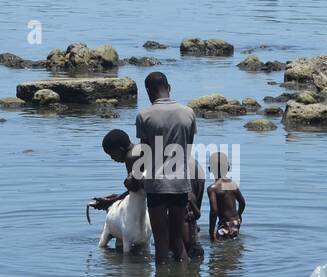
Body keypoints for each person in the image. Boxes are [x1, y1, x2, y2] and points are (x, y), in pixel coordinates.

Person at [91, 129, 205, 259]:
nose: (112, 159)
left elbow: (135, 190)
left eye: (112, 155)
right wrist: (117, 198)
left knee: (168, 239)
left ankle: (175, 268)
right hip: (193, 168)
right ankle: (193, 253)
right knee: (190, 217)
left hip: (176, 173)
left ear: (121, 149)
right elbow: (139, 186)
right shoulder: (139, 149)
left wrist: (113, 201)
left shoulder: (131, 157)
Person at [135, 72, 198, 264]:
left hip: (157, 186)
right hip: (180, 184)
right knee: (177, 242)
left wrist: (136, 178)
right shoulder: (188, 113)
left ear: (148, 91)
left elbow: (145, 154)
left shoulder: (144, 116)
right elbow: (187, 150)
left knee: (161, 244)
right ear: (168, 87)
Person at [207, 150, 245, 241]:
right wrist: (238, 215)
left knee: (219, 251)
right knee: (233, 247)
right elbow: (242, 203)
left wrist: (211, 232)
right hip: (236, 223)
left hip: (224, 225)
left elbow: (214, 211)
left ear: (210, 169)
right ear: (228, 168)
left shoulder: (213, 188)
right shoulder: (232, 184)